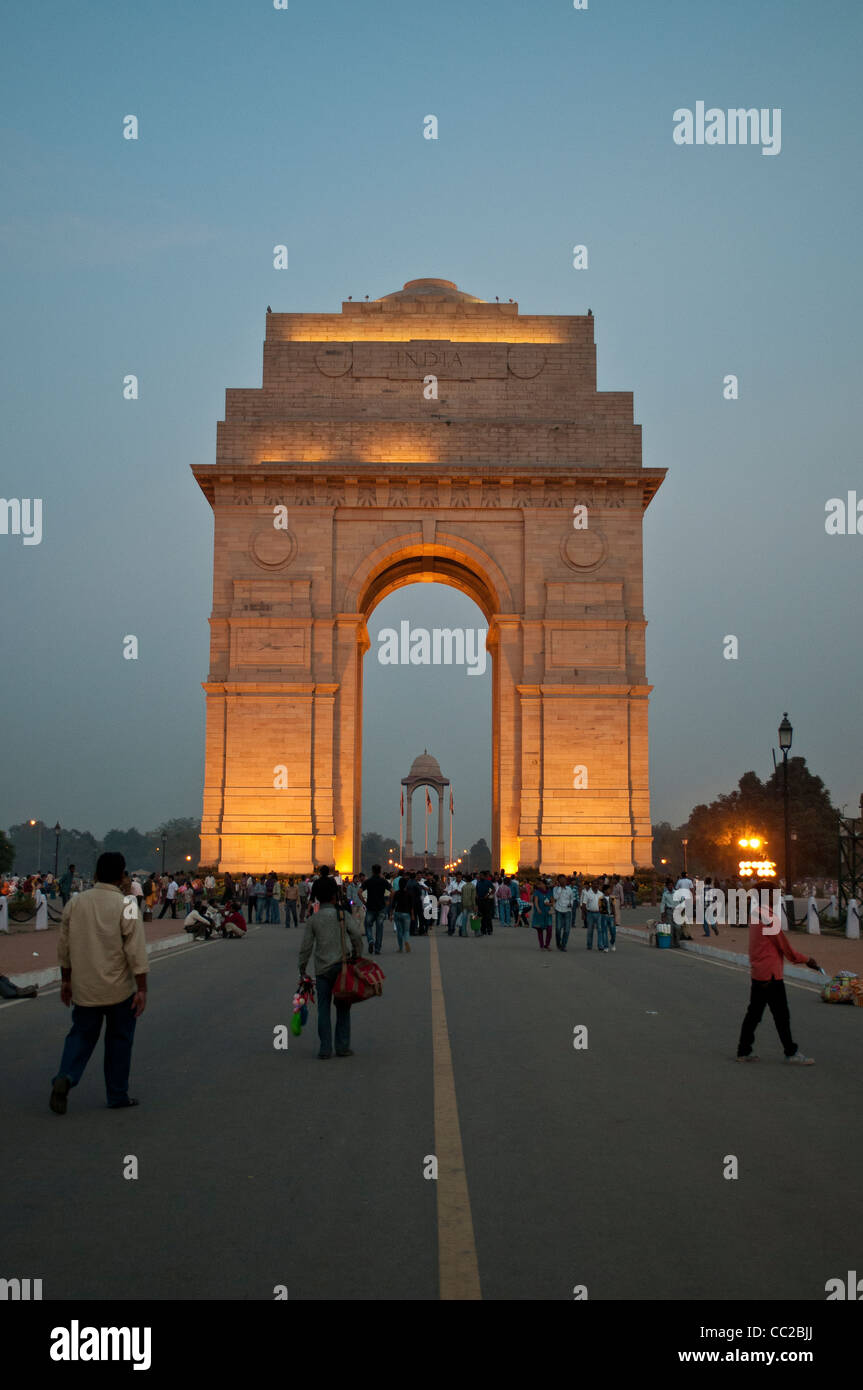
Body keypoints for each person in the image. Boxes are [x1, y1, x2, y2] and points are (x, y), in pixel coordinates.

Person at [49, 852, 148, 1114]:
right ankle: (117, 1095)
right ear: (122, 876)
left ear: (95, 875)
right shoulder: (127, 904)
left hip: (85, 987)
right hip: (120, 988)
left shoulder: (76, 903)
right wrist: (143, 988)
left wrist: (66, 981)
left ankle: (66, 1076)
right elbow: (135, 950)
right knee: (119, 1041)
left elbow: (64, 947)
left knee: (81, 1035)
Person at [736, 882, 820, 1064]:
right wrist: (807, 960)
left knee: (754, 1014)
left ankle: (743, 1050)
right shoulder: (768, 918)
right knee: (781, 1015)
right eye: (775, 894)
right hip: (771, 974)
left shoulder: (755, 915)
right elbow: (785, 948)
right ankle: (791, 1052)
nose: (777, 897)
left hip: (759, 972)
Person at [298, 875, 365, 1058]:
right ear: (335, 896)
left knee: (323, 1009)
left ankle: (325, 1048)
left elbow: (306, 947)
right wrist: (358, 956)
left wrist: (302, 968)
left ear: (317, 897)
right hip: (342, 968)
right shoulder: (342, 915)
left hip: (322, 970)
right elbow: (357, 937)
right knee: (343, 1008)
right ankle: (342, 1046)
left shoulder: (313, 919)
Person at [360, 864, 391, 955]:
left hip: (370, 907)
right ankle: (377, 949)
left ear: (372, 871)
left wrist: (364, 902)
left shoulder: (368, 881)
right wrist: (388, 901)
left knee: (368, 925)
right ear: (380, 871)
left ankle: (370, 940)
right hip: (381, 907)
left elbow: (359, 892)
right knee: (379, 928)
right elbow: (393, 891)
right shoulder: (383, 881)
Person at [553, 875, 574, 951]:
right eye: (561, 880)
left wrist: (571, 904)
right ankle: (558, 943)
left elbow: (572, 898)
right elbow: (555, 897)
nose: (563, 881)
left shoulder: (569, 889)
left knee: (567, 930)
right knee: (558, 929)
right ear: (558, 881)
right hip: (559, 910)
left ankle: (563, 945)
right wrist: (560, 888)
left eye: (564, 879)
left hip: (567, 911)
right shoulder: (555, 889)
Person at [532, 879, 554, 949]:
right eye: (539, 884)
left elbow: (553, 902)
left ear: (545, 884)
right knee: (540, 930)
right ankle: (541, 945)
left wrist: (549, 904)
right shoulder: (537, 892)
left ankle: (547, 945)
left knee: (549, 929)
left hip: (547, 913)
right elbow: (535, 901)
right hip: (540, 913)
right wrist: (538, 908)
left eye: (541, 884)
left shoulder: (549, 892)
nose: (539, 885)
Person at [476, 869, 495, 935]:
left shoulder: (488, 882)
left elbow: (492, 890)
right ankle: (483, 930)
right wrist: (477, 896)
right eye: (479, 875)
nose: (480, 876)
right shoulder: (478, 882)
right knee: (481, 916)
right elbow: (477, 890)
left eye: (481, 875)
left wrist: (487, 894)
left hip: (487, 901)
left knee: (488, 916)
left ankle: (489, 930)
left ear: (484, 876)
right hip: (480, 901)